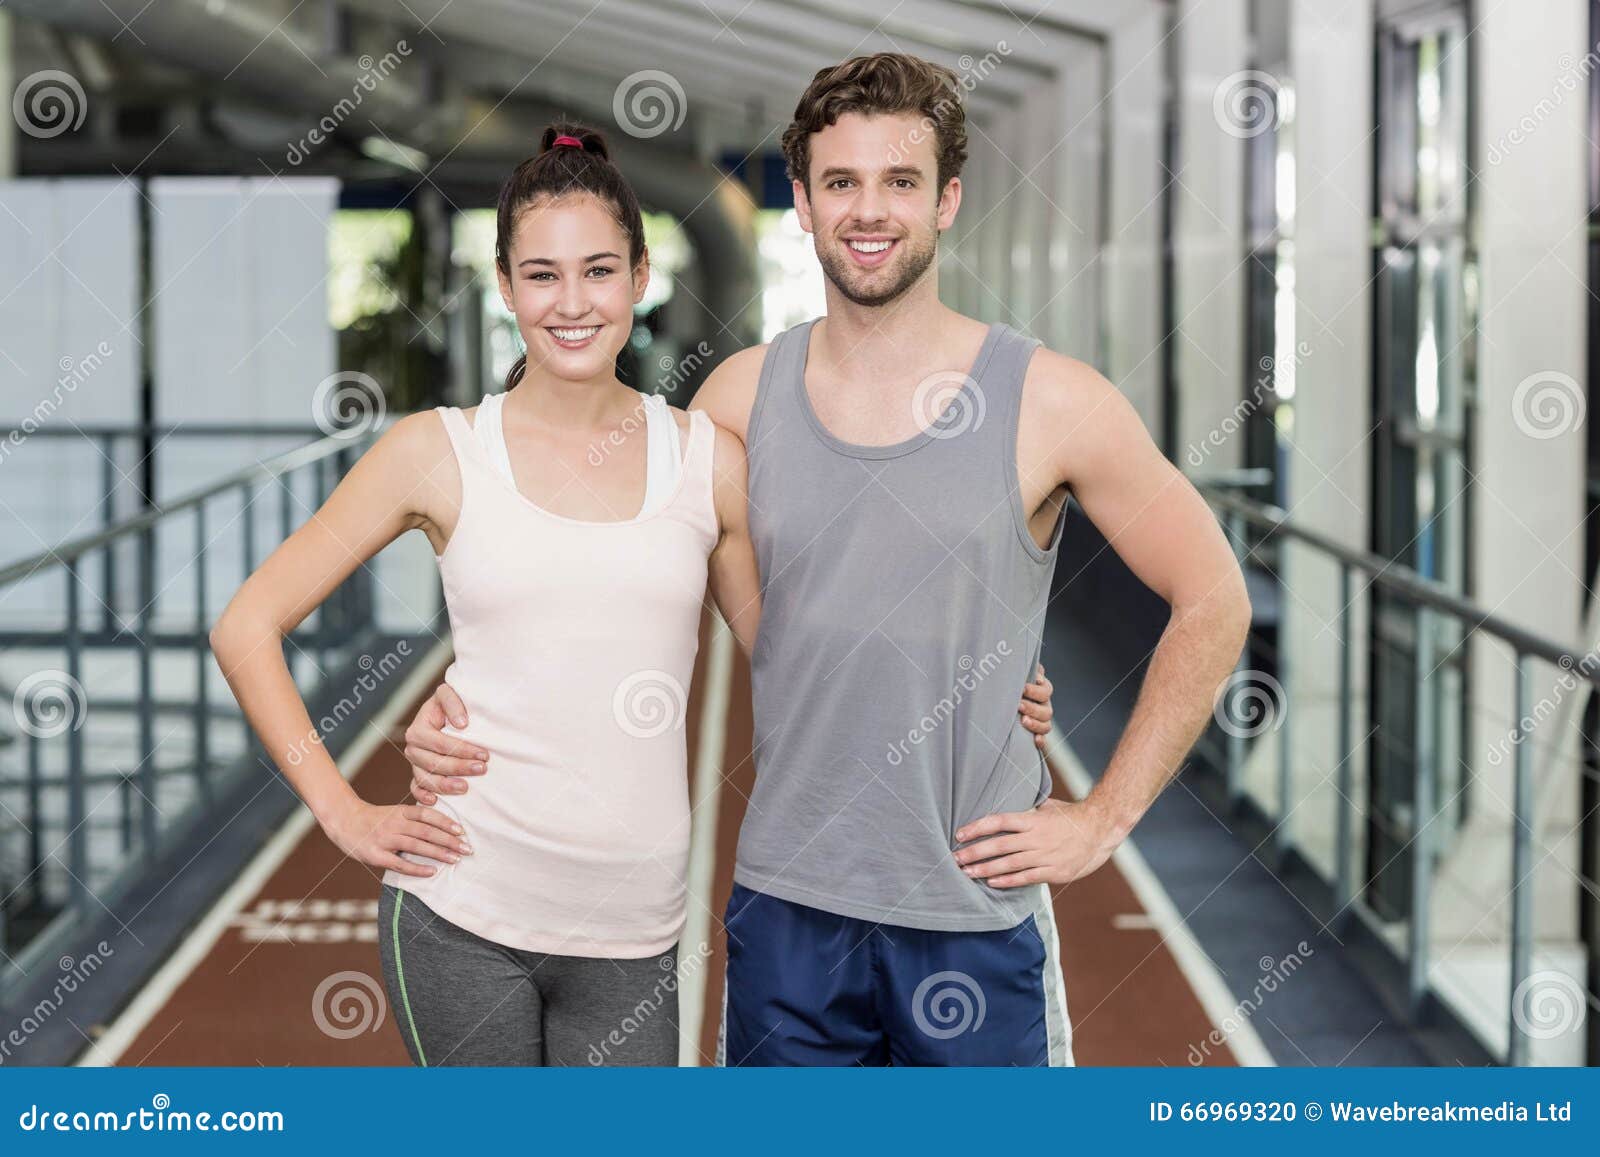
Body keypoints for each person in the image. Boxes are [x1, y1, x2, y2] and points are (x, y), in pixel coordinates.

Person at [404, 53, 1239, 1068]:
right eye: (840, 182)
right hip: (788, 918)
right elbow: (574, 563)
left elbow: (1212, 596)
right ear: (800, 201)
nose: (868, 210)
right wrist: (462, 690)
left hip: (970, 919)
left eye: (899, 181)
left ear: (948, 199)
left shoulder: (1055, 402)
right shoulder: (734, 406)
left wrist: (1103, 817)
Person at [211, 123, 764, 1067]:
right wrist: (345, 811)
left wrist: (984, 688)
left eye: (598, 271)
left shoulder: (708, 462)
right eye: (541, 275)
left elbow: (796, 661)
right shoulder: (438, 451)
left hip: (634, 929)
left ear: (640, 276)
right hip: (461, 911)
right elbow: (246, 625)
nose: (572, 302)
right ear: (506, 287)